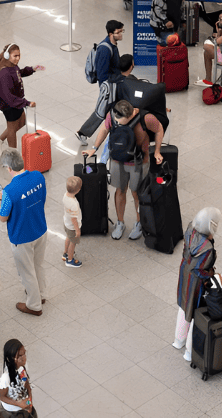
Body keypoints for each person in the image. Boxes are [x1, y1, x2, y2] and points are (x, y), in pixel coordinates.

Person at [84, 98, 165, 241]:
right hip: (117, 160)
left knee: (136, 193)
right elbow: (105, 128)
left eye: (121, 122)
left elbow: (159, 129)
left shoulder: (146, 118)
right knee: (120, 190)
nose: (117, 123)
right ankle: (120, 223)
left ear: (131, 115)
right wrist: (94, 148)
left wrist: (157, 151)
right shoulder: (112, 115)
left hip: (138, 163)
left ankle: (139, 223)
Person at [0, 149, 48, 316]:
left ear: (8, 168)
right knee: (38, 265)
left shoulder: (9, 192)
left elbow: (3, 217)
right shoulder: (39, 176)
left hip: (22, 236)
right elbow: (43, 200)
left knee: (27, 272)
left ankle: (34, 305)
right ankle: (41, 294)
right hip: (40, 229)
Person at [171, 207, 220, 361]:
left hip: (185, 273)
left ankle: (178, 341)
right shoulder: (207, 248)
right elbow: (201, 270)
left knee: (183, 307)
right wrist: (212, 275)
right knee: (195, 314)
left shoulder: (190, 231)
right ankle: (190, 352)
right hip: (198, 284)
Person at [78, 20, 124, 142]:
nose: (121, 34)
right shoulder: (105, 49)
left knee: (110, 111)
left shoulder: (112, 45)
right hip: (109, 86)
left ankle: (116, 133)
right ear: (110, 34)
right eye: (118, 32)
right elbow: (102, 74)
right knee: (101, 112)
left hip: (114, 84)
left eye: (121, 31)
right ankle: (83, 133)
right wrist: (111, 85)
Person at [0, 44, 44, 152]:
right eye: (15, 56)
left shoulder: (12, 66)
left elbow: (18, 73)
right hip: (8, 103)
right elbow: (8, 96)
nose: (18, 58)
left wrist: (32, 69)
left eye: (19, 55)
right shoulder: (5, 73)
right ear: (7, 55)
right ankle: (12, 157)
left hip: (16, 99)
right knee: (12, 129)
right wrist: (27, 103)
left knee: (22, 122)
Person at [61, 175, 83, 268]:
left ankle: (65, 254)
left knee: (68, 238)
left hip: (66, 223)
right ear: (78, 190)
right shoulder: (74, 204)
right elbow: (74, 219)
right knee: (72, 243)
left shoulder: (66, 195)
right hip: (72, 227)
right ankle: (70, 260)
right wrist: (77, 230)